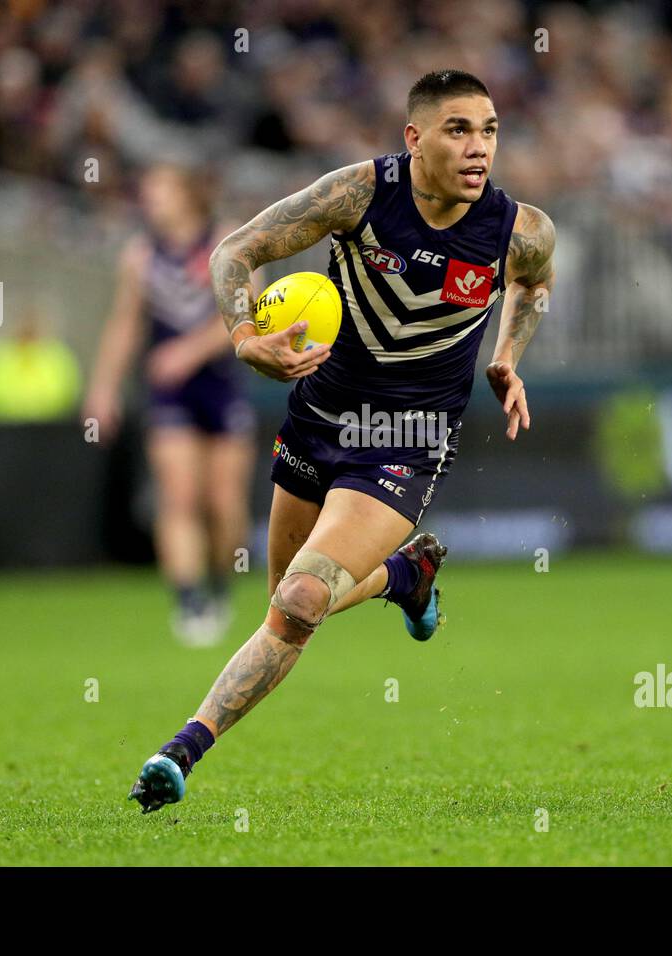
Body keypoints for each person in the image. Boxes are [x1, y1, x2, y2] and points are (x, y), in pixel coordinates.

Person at [128, 70, 556, 813]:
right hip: (318, 420)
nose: (479, 147)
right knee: (284, 605)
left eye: (489, 130)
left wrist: (507, 354)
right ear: (414, 138)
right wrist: (242, 334)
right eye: (458, 129)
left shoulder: (519, 229)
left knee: (299, 601)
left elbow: (535, 282)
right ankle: (402, 578)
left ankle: (181, 751)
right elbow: (233, 251)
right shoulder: (357, 195)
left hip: (407, 440)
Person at [84, 164, 255, 646]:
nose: (149, 200)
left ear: (187, 194)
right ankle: (188, 601)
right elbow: (124, 324)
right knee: (178, 497)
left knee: (222, 503)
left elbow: (249, 314)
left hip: (221, 387)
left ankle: (221, 587)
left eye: (159, 190)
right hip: (169, 393)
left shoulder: (229, 244)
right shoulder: (140, 257)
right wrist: (103, 388)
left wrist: (189, 351)